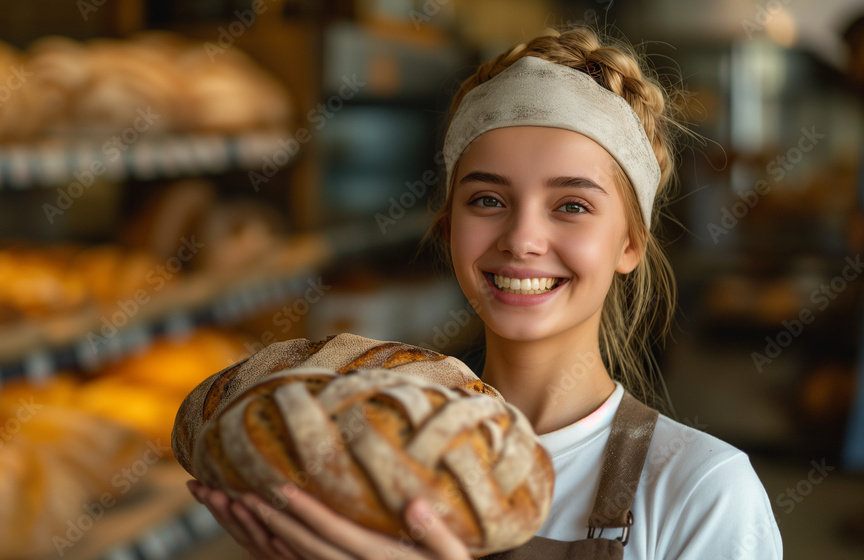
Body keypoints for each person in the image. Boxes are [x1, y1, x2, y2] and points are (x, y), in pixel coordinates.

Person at [187, 26, 783, 559]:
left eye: (571, 205)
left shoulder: (703, 492)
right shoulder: (348, 456)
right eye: (487, 200)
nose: (523, 239)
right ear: (449, 229)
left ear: (629, 243)